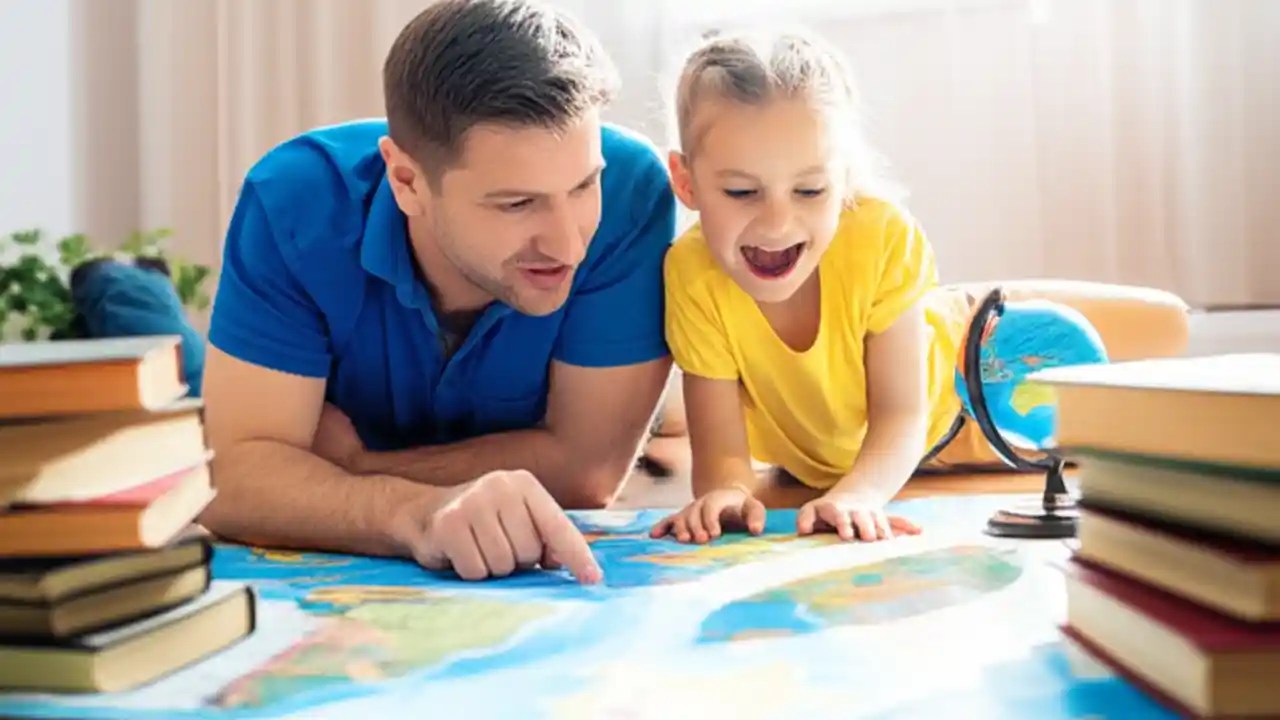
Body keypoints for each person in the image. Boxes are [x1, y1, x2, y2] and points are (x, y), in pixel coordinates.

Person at [647, 27, 1190, 546]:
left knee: (1164, 352)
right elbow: (722, 458)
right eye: (742, 192)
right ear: (685, 182)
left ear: (843, 178)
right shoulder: (691, 273)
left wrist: (859, 494)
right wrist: (727, 494)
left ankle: (945, 306)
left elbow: (901, 415)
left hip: (967, 394)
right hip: (824, 455)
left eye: (809, 190)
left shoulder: (881, 233)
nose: (777, 223)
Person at [199, 0, 676, 584]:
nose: (569, 245)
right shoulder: (295, 201)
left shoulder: (631, 193)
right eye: (517, 203)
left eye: (582, 186)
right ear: (406, 181)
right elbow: (230, 478)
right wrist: (411, 512)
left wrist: (351, 467)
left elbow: (587, 474)